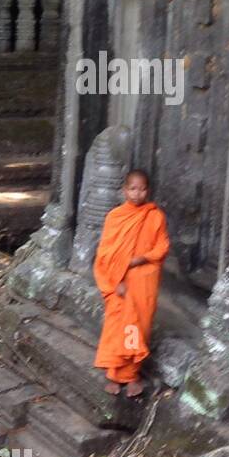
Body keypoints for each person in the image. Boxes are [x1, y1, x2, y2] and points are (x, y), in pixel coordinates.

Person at [92, 168, 170, 398]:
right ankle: (115, 374)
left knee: (137, 327)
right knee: (118, 326)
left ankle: (131, 374)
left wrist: (140, 259)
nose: (137, 193)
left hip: (143, 280)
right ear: (124, 190)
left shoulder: (155, 216)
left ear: (148, 190)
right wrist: (115, 281)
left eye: (142, 189)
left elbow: (162, 246)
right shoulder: (115, 217)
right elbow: (105, 254)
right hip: (119, 281)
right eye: (133, 188)